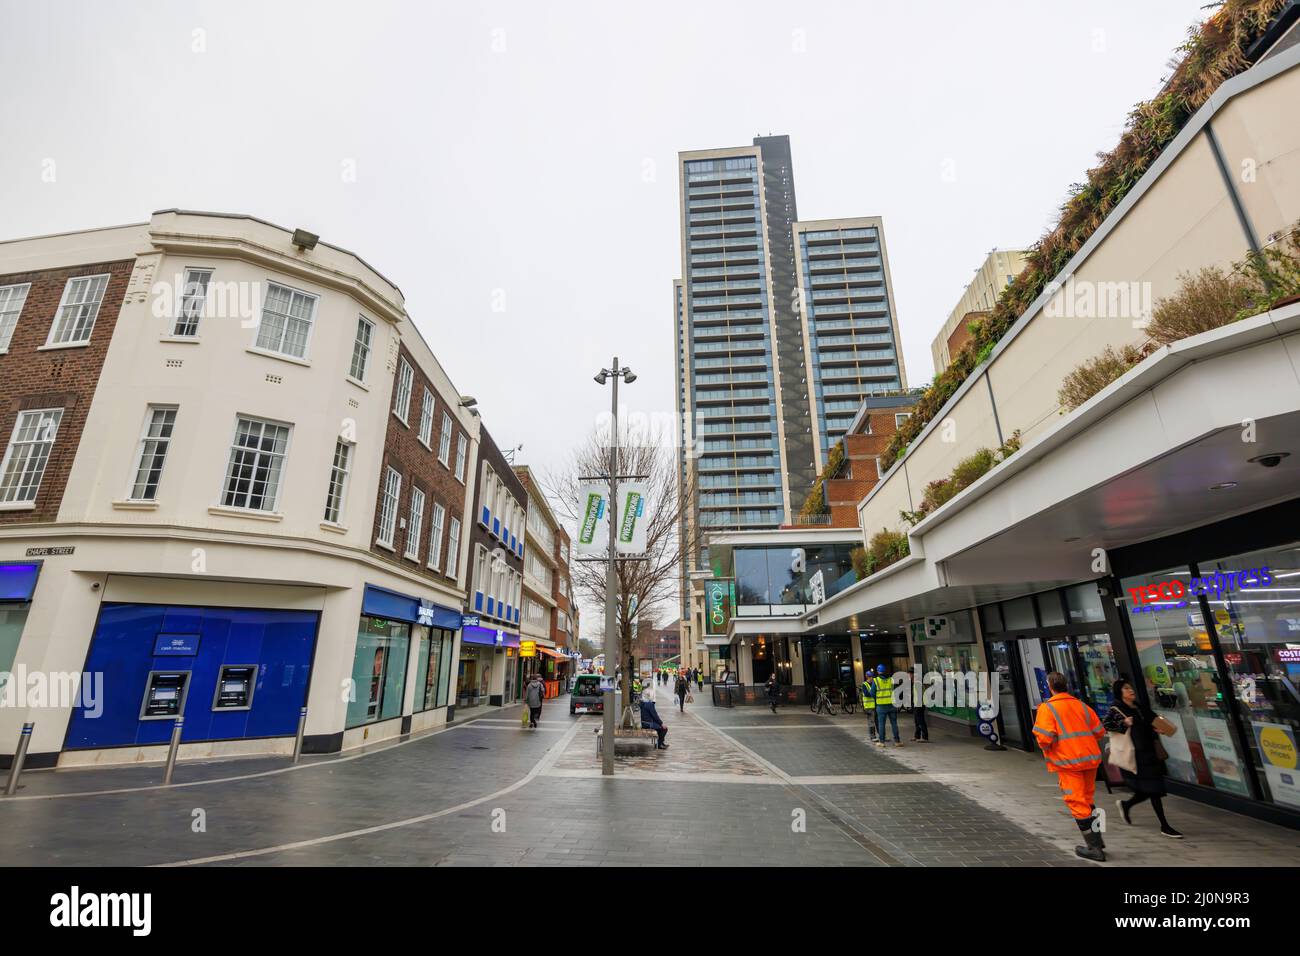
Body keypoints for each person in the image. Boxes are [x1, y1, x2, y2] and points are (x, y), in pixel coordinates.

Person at [1033, 671, 1107, 861]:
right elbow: (1099, 731)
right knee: (1088, 800)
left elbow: (1044, 738)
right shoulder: (1081, 706)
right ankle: (1098, 840)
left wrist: (1049, 746)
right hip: (1089, 759)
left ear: (1050, 687)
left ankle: (1094, 847)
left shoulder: (1047, 709)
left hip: (1068, 761)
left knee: (1076, 801)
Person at [1103, 678, 1183, 839]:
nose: (1130, 690)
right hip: (1134, 754)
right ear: (1120, 692)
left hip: (1148, 751)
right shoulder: (1116, 708)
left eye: (1130, 687)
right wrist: (1124, 723)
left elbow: (1151, 721)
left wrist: (1158, 729)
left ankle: (1127, 805)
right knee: (1152, 790)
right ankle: (1164, 825)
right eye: (1126, 688)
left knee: (1152, 789)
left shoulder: (1139, 707)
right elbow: (1107, 725)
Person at [873, 664, 902, 747]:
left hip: (881, 706)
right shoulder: (891, 680)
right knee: (894, 723)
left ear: (878, 671)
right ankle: (897, 741)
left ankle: (882, 742)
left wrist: (878, 697)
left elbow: (872, 693)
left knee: (881, 724)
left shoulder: (876, 680)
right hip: (892, 705)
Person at [911, 670, 929, 742]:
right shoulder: (915, 683)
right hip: (917, 704)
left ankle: (925, 737)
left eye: (910, 674)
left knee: (921, 721)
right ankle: (917, 736)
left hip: (919, 705)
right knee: (917, 721)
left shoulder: (917, 683)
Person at [860, 669, 878, 741]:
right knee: (871, 722)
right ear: (866, 677)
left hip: (876, 705)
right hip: (869, 707)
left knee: (878, 721)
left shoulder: (875, 683)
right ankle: (872, 736)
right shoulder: (864, 684)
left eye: (872, 676)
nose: (871, 678)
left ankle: (882, 735)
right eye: (869, 676)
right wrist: (874, 693)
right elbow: (867, 694)